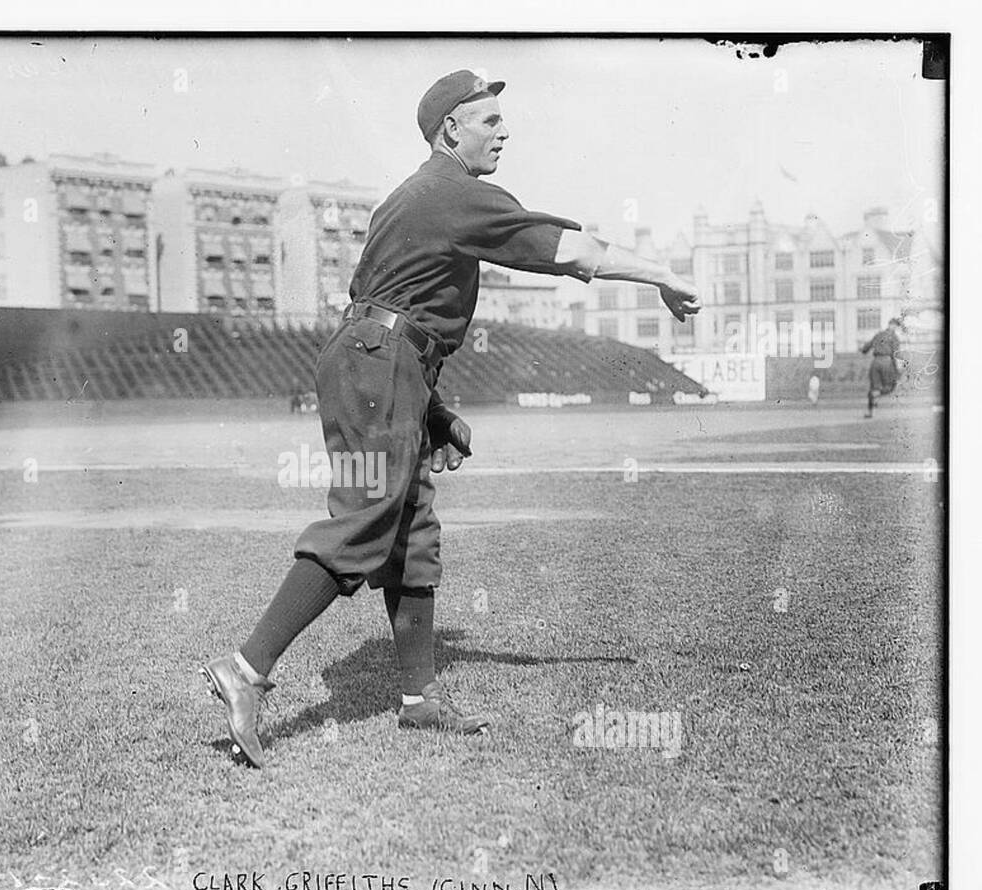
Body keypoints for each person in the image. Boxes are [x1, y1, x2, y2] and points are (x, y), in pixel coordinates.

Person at [201, 70, 702, 768]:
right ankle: (246, 671)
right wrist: (663, 276)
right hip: (378, 363)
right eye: (489, 121)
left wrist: (427, 407)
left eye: (503, 120)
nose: (504, 131)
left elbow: (380, 301)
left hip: (381, 359)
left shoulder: (413, 197)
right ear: (450, 131)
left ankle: (417, 700)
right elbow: (573, 252)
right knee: (366, 518)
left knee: (410, 530)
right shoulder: (452, 193)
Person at [862, 316, 904, 418]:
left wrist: (863, 349)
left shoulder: (879, 334)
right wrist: (899, 369)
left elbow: (865, 349)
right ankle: (876, 396)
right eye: (896, 326)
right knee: (890, 387)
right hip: (887, 362)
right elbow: (896, 354)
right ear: (894, 326)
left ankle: (870, 411)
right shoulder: (894, 337)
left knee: (874, 388)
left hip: (875, 362)